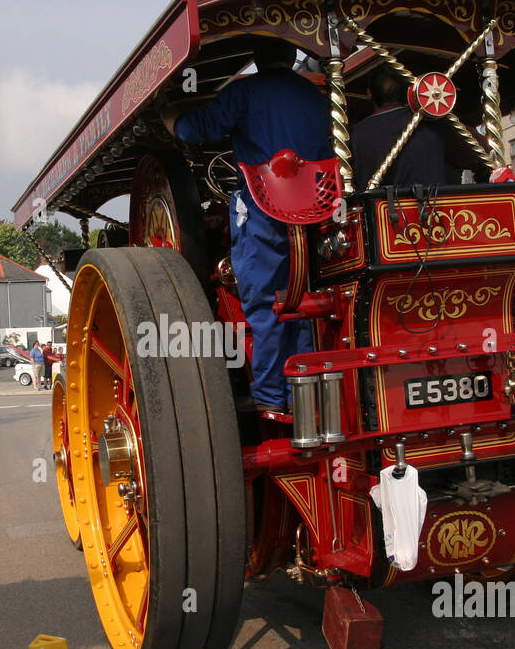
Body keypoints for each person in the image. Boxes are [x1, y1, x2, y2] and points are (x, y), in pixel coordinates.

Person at [169, 36, 330, 413]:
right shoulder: (314, 96)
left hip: (263, 207)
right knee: (306, 302)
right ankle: (304, 391)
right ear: (292, 58)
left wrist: (172, 119)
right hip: (315, 206)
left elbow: (197, 130)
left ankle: (272, 395)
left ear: (256, 59)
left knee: (266, 303)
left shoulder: (246, 91)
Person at [351, 63, 448, 191]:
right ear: (407, 92)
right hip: (438, 207)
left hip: (382, 209)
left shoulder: (355, 134)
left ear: (369, 93)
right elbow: (477, 154)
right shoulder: (431, 121)